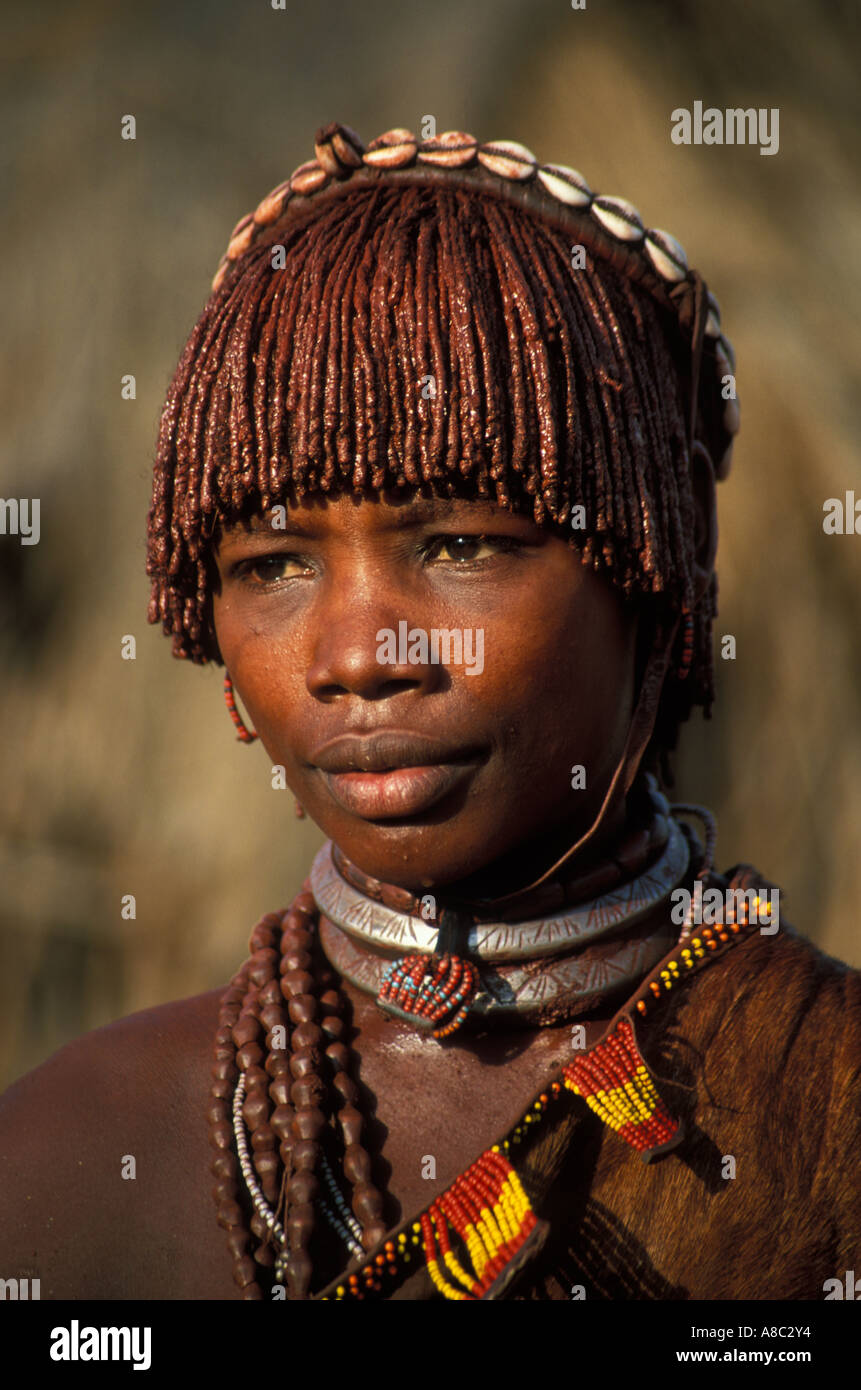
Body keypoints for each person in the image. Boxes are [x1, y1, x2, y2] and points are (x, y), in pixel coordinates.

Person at [1, 121, 858, 1302]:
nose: (360, 654)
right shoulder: (65, 1157)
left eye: (461, 543)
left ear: (653, 584)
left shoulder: (827, 1110)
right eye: (275, 564)